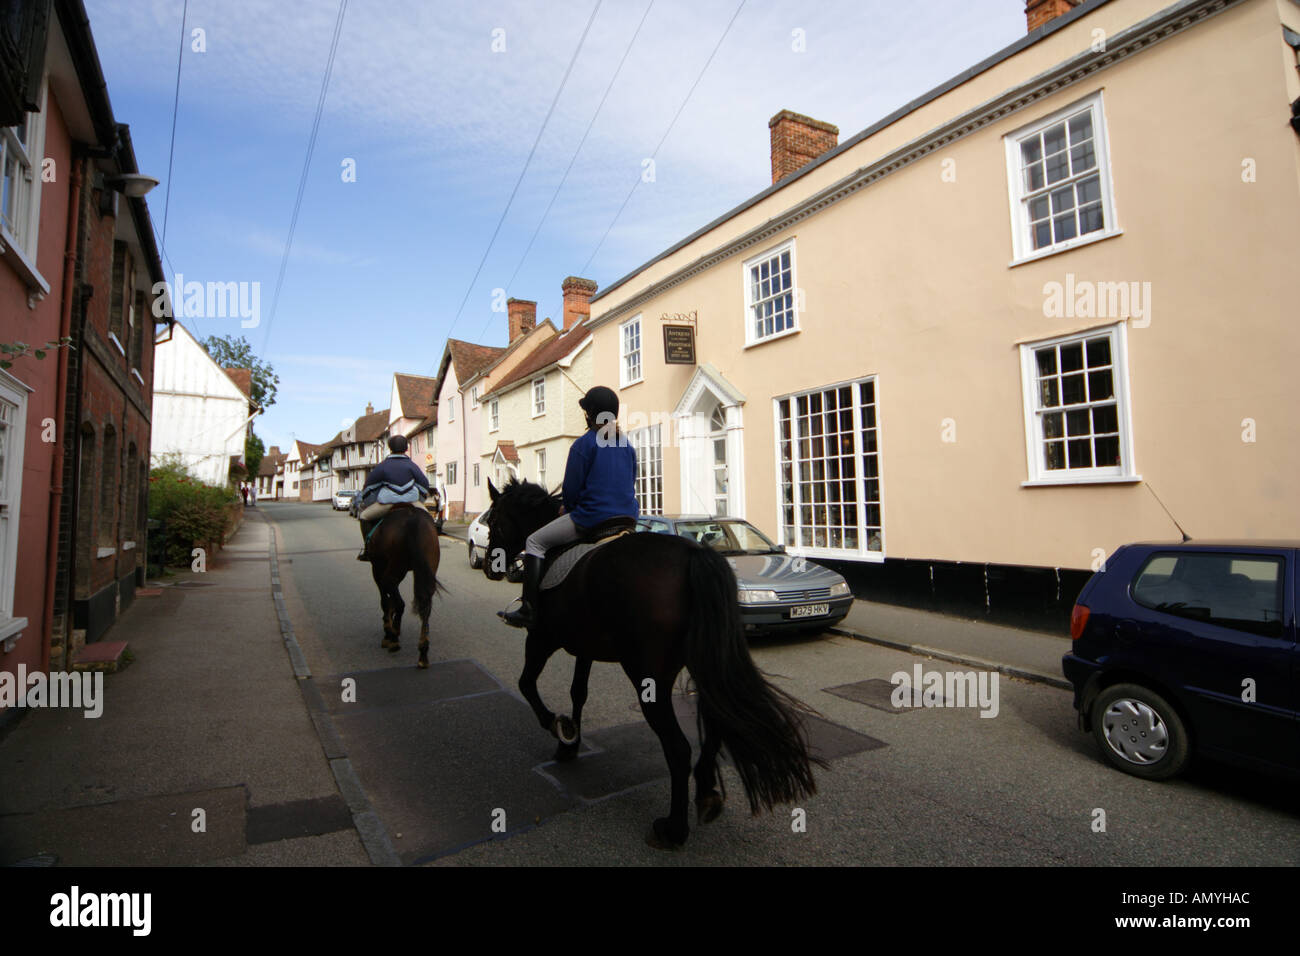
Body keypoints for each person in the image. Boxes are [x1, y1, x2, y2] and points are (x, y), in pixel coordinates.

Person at [499, 385, 637, 628]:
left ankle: (528, 609)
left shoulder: (584, 444)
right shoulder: (627, 446)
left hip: (593, 518)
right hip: (627, 519)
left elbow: (571, 491)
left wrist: (568, 507)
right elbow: (631, 481)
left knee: (534, 542)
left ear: (590, 414)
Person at [357, 434, 431, 561]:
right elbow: (424, 485)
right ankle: (429, 550)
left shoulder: (382, 466)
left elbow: (368, 488)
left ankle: (368, 550)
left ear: (390, 448)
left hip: (387, 504)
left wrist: (372, 502)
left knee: (364, 517)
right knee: (428, 520)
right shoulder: (413, 466)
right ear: (406, 449)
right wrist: (419, 500)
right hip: (411, 503)